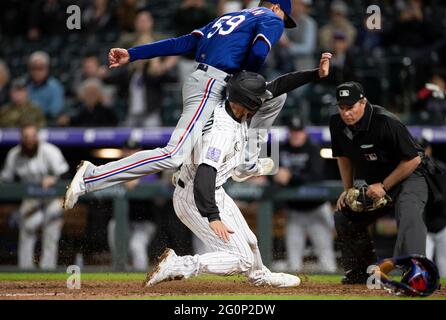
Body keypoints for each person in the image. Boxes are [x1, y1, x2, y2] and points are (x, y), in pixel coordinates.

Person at [63, 0, 298, 210]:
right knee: (174, 154)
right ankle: (91, 177)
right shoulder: (270, 18)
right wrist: (246, 79)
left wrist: (134, 54)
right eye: (284, 19)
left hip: (213, 82)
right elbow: (258, 52)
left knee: (275, 96)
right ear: (276, 7)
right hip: (212, 85)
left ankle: (246, 162)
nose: (282, 26)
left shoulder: (227, 19)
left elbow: (181, 43)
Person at [144, 65, 330, 287]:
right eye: (256, 100)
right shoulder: (221, 132)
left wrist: (314, 72)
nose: (261, 102)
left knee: (250, 241)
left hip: (212, 188)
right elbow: (206, 172)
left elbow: (279, 87)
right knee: (240, 259)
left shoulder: (236, 106)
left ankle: (259, 276)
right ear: (245, 102)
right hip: (196, 195)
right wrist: (213, 216)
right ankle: (177, 265)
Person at [331, 81, 429, 284]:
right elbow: (343, 156)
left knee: (409, 214)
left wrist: (384, 186)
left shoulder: (385, 121)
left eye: (350, 107)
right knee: (344, 214)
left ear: (363, 102)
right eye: (342, 108)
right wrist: (348, 190)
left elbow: (414, 159)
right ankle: (361, 271)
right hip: (377, 183)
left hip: (409, 177)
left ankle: (416, 272)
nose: (346, 113)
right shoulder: (337, 124)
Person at [0, 124, 68, 270]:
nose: (30, 140)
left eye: (33, 136)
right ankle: (25, 270)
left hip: (52, 199)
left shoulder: (50, 151)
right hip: (31, 200)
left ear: (37, 137)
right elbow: (6, 180)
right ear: (21, 139)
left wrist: (54, 179)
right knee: (27, 229)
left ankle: (47, 270)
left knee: (51, 233)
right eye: (26, 137)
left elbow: (65, 174)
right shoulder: (15, 154)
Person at [274, 116, 336, 273]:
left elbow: (316, 176)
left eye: (299, 131)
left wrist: (290, 177)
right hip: (294, 212)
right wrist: (274, 175)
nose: (296, 135)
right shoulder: (281, 149)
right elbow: (272, 172)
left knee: (327, 260)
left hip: (317, 209)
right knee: (293, 262)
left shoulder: (313, 148)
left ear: (304, 132)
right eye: (293, 132)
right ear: (289, 133)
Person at [107, 138, 157, 271]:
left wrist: (137, 180)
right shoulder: (117, 167)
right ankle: (120, 274)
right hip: (123, 220)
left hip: (144, 221)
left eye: (133, 150)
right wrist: (125, 178)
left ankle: (141, 279)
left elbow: (154, 179)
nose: (130, 153)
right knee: (113, 228)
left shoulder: (149, 167)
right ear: (123, 152)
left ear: (140, 151)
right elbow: (108, 177)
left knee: (136, 245)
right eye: (127, 150)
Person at [418, 138, 446, 277]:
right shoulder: (411, 170)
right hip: (424, 225)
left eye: (423, 149)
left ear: (429, 149)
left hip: (444, 224)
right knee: (423, 267)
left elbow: (443, 198)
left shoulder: (440, 168)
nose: (421, 154)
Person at [26, 51, 65, 122]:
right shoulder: (25, 86)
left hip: (48, 123)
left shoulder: (55, 86)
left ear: (47, 69)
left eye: (40, 68)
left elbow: (55, 110)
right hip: (27, 123)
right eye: (34, 68)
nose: (37, 72)